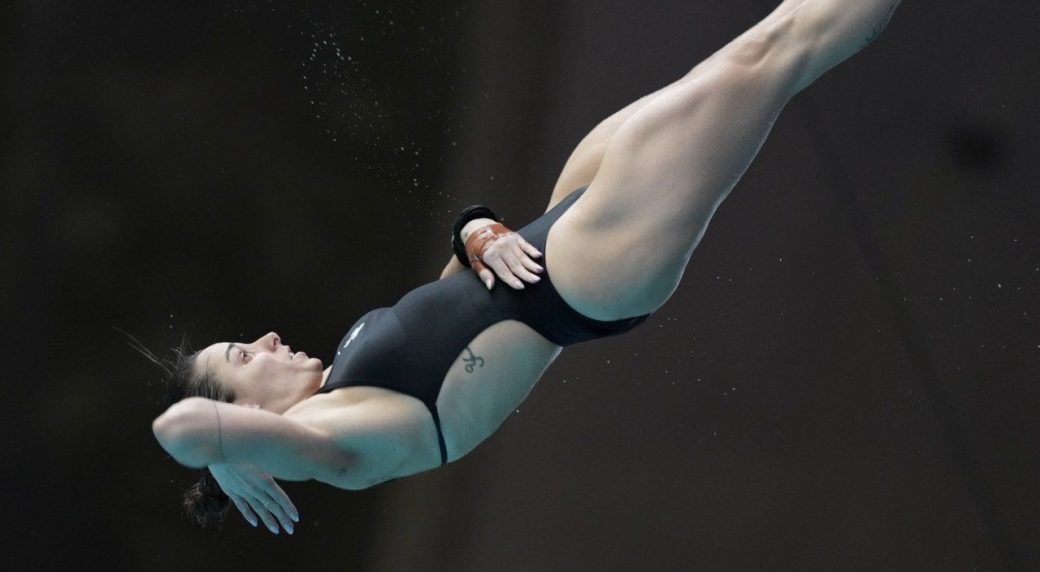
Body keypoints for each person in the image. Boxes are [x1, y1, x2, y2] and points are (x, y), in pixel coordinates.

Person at [151, 0, 903, 535]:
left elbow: (455, 294)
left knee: (765, 44)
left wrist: (471, 229)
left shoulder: (347, 374)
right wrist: (221, 458)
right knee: (774, 52)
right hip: (584, 276)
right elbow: (179, 426)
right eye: (244, 356)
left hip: (556, 227)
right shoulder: (334, 450)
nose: (270, 338)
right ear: (245, 416)